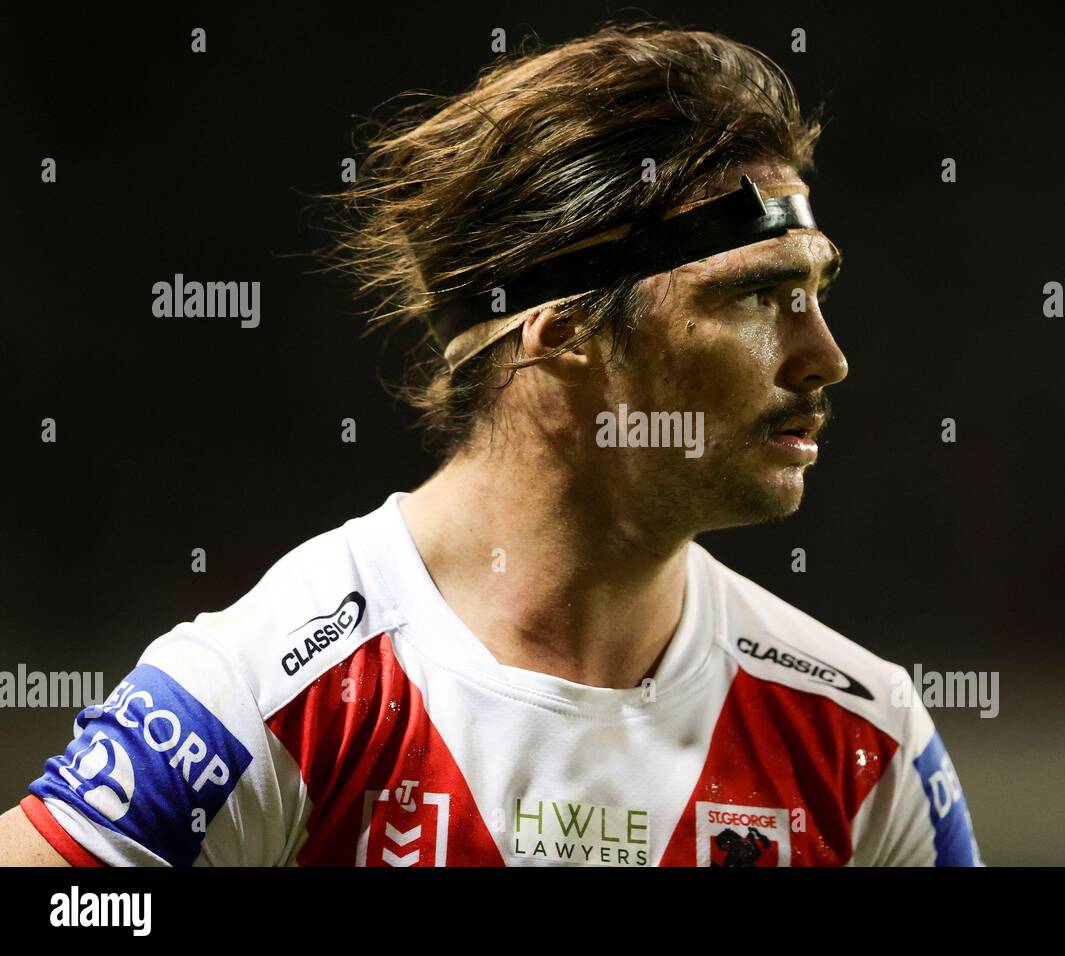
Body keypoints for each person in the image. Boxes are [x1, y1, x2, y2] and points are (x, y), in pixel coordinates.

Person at [0, 21, 982, 867]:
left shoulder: (865, 739)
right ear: (562, 331)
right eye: (759, 295)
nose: (826, 357)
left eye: (817, 292)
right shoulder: (262, 697)